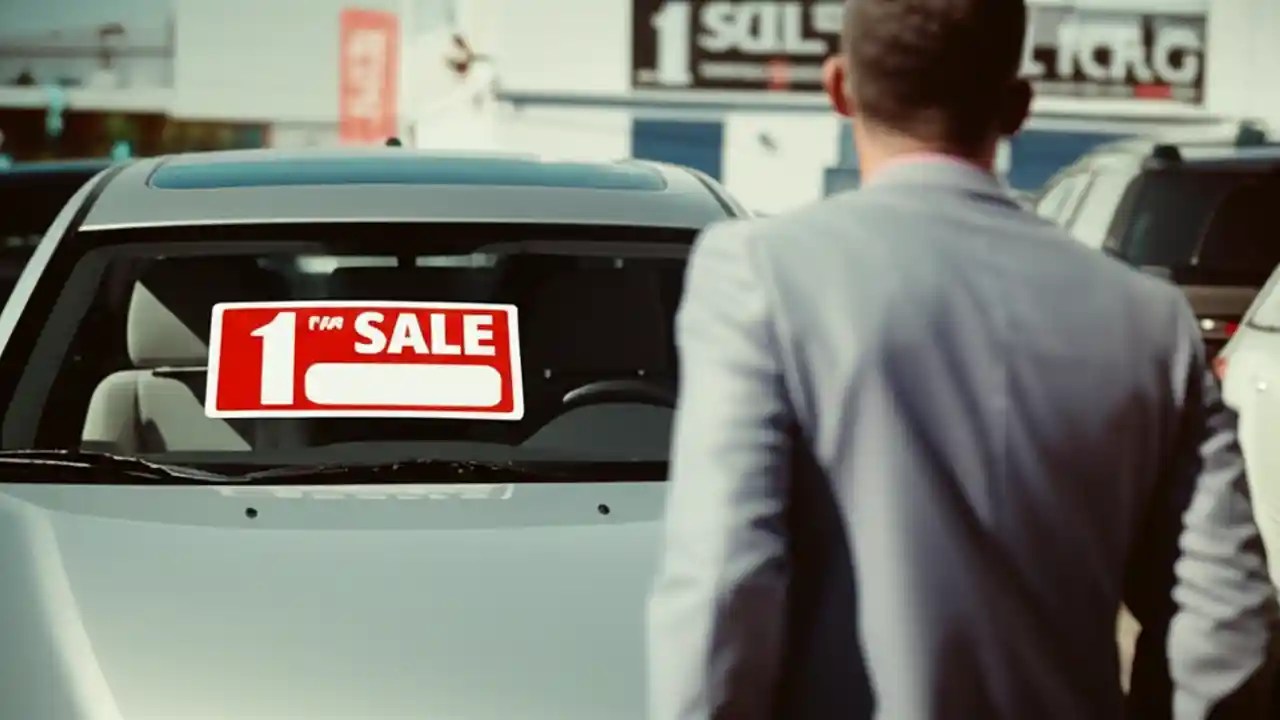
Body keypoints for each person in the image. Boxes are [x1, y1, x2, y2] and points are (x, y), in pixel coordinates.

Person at [646, 0, 1278, 718]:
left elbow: (723, 587)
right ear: (1017, 107)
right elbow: (1228, 627)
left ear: (840, 87)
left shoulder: (758, 273)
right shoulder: (1151, 321)